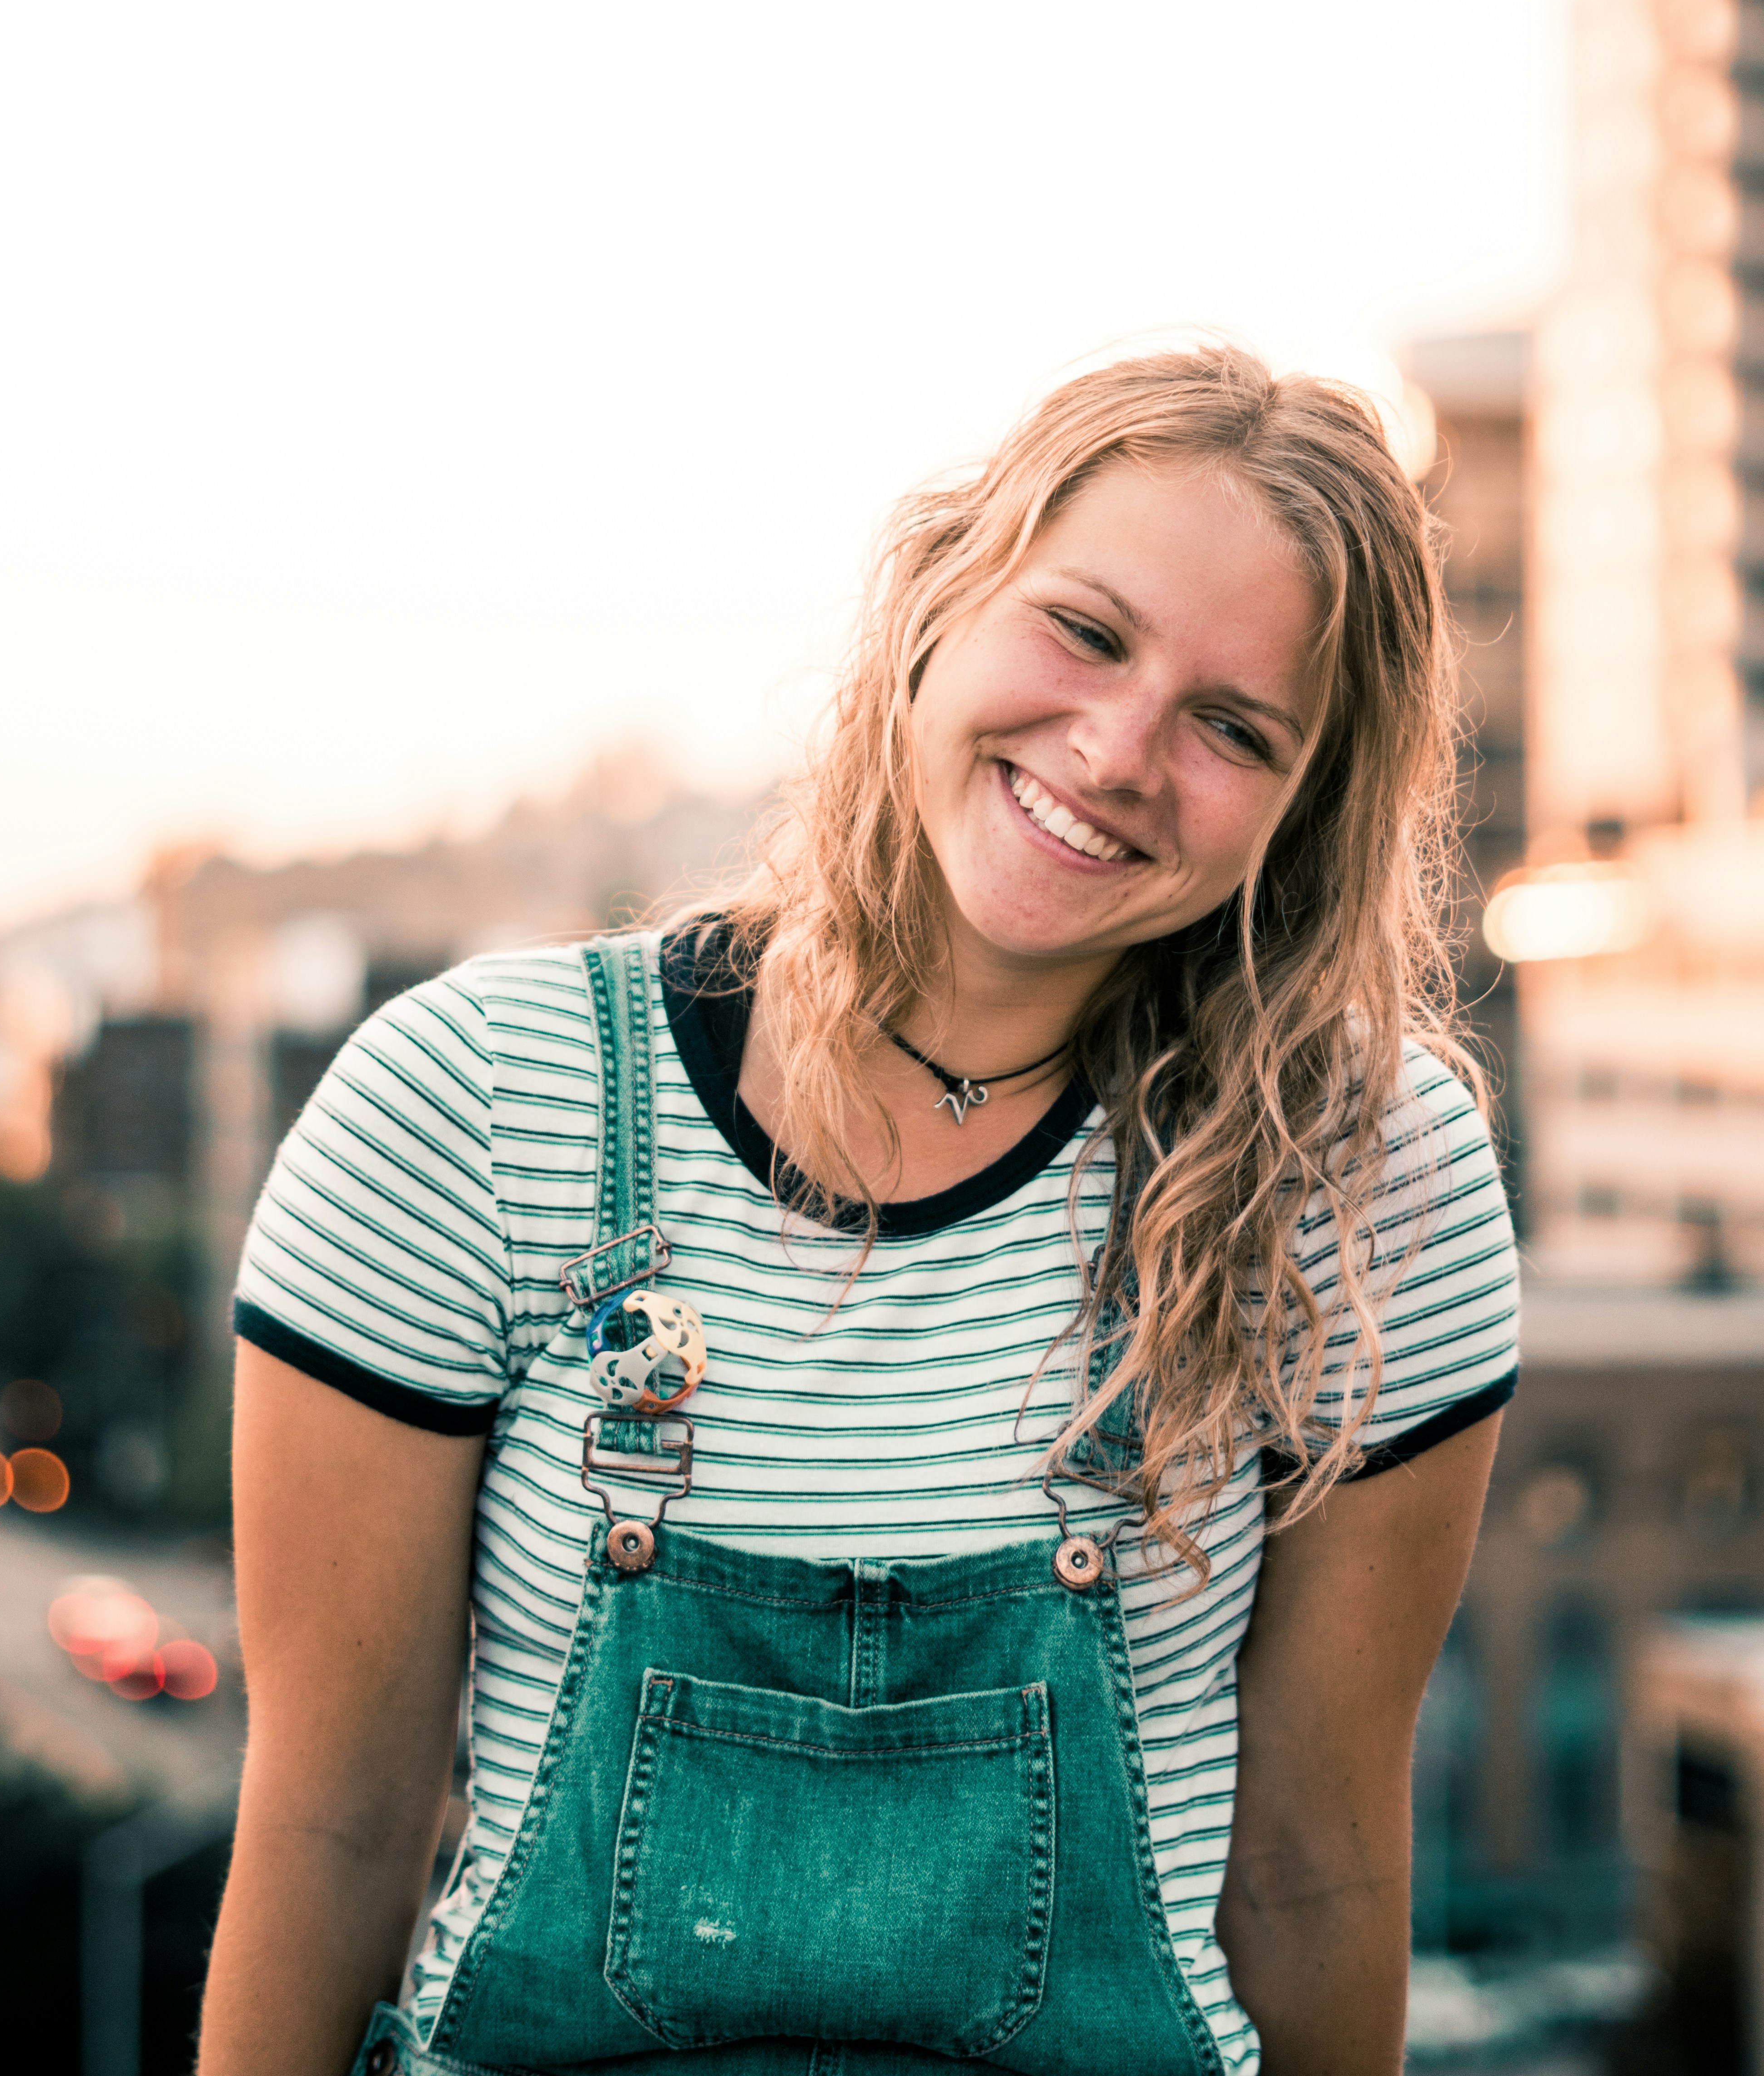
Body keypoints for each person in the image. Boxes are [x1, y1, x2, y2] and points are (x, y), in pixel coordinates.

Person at [200, 348, 1518, 2076]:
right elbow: (332, 1832)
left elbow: (1319, 1869)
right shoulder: (468, 1105)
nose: (1118, 751)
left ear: (1302, 815)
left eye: (1234, 726)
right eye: (1087, 631)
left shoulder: (1361, 1169)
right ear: (940, 598)